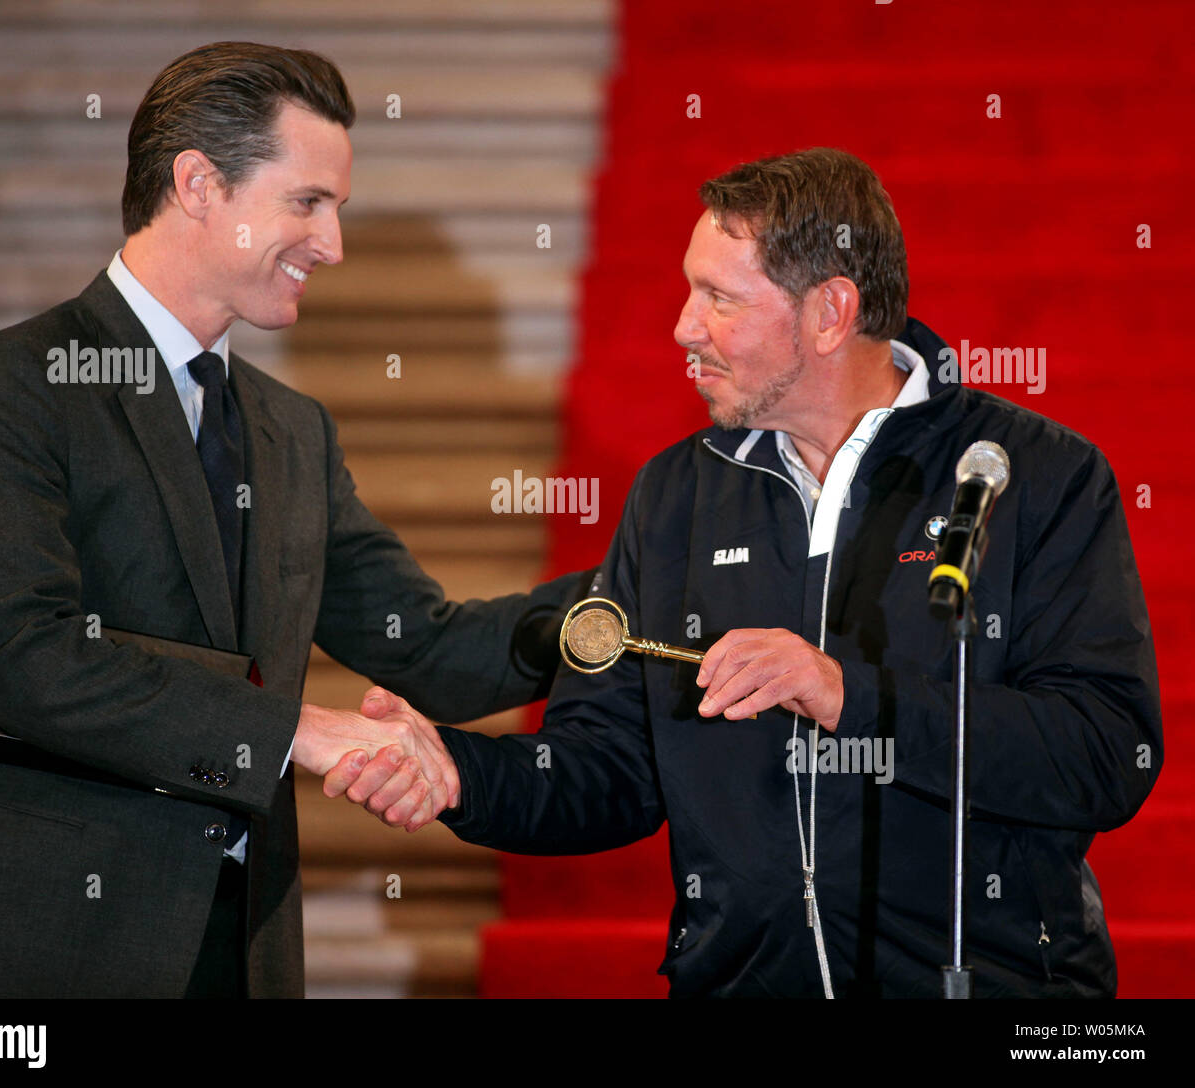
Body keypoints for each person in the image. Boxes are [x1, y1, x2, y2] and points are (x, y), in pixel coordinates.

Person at [342, 148, 1164, 997]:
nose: (683, 327)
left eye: (719, 299)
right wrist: (453, 772)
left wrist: (847, 692)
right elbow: (608, 772)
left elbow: (1107, 754)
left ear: (830, 313)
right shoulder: (676, 494)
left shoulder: (1031, 474)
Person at [0, 41, 587, 999]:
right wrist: (294, 733)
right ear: (197, 183)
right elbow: (18, 656)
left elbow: (423, 646)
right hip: (40, 948)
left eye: (336, 209)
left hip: (237, 952)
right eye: (309, 202)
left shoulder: (292, 431)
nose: (333, 246)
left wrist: (628, 597)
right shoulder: (14, 380)